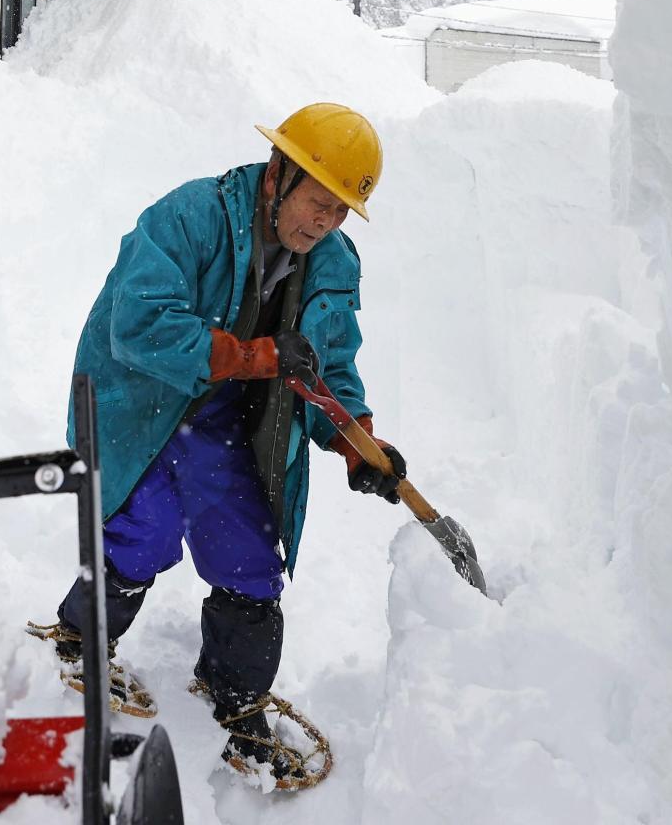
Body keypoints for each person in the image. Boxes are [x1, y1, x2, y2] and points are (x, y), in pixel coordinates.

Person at [40, 102, 410, 784]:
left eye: (338, 211)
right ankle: (79, 639)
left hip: (218, 421)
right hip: (140, 402)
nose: (323, 221)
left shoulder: (331, 260)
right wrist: (257, 355)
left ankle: (235, 695)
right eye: (317, 201)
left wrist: (355, 440)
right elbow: (139, 325)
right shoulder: (191, 217)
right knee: (141, 533)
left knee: (248, 560)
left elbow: (329, 365)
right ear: (279, 174)